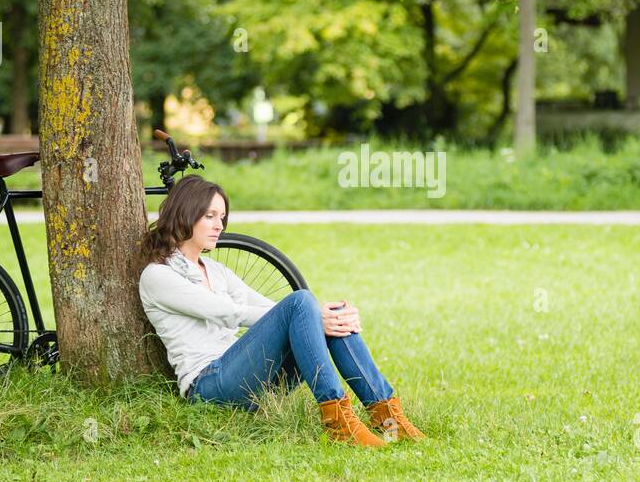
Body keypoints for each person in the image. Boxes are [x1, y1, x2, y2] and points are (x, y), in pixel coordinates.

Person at [138, 174, 425, 448]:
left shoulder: (214, 270)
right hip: (209, 386)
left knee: (325, 310)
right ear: (185, 214)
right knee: (302, 303)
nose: (219, 226)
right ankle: (339, 423)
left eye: (222, 218)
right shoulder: (158, 276)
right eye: (210, 216)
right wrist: (311, 316)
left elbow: (268, 307)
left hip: (248, 382)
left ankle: (388, 419)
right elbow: (227, 312)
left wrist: (320, 317)